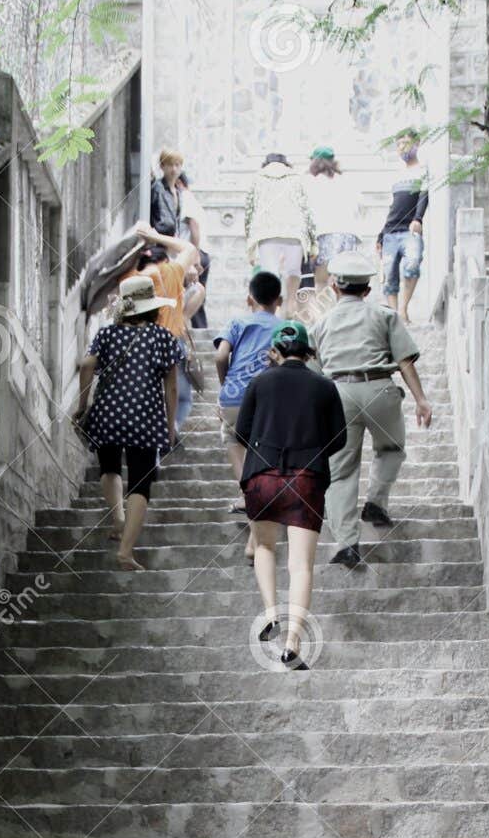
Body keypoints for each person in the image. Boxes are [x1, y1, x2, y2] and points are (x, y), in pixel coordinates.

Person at [234, 319, 347, 670]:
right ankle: (293, 641)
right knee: (301, 566)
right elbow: (339, 439)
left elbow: (241, 433)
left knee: (265, 547)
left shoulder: (259, 382)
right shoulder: (325, 386)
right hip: (305, 480)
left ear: (276, 350)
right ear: (308, 350)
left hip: (262, 477)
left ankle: (270, 613)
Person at [313, 250, 433, 572]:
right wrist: (421, 399)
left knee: (339, 470)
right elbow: (405, 360)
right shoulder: (384, 316)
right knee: (390, 448)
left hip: (337, 392)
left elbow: (312, 372)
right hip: (379, 387)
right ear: (367, 290)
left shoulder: (321, 324)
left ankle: (347, 543)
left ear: (335, 287)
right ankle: (376, 502)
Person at [75, 273, 186, 572]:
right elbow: (172, 388)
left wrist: (82, 404)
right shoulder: (163, 337)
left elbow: (87, 365)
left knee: (109, 467)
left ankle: (118, 519)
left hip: (108, 412)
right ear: (151, 306)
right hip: (147, 417)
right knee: (141, 482)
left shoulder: (107, 334)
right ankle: (125, 552)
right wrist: (170, 424)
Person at [214, 268, 283, 522]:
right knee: (264, 444)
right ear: (280, 301)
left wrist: (225, 385)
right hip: (270, 397)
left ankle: (248, 494)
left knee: (233, 440)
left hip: (234, 395)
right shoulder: (284, 326)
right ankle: (266, 493)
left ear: (249, 299)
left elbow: (221, 356)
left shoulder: (237, 322)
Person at [132, 221, 203, 442]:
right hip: (171, 340)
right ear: (164, 259)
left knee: (146, 396)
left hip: (142, 343)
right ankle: (171, 428)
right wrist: (156, 236)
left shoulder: (135, 277)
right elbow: (190, 249)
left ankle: (146, 437)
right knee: (181, 397)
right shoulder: (171, 271)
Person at [244, 152, 318, 318]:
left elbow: (249, 211)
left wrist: (249, 243)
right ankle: (290, 306)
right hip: (294, 230)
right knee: (293, 272)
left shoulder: (257, 178)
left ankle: (272, 311)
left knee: (270, 273)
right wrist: (313, 243)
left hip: (266, 231)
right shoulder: (296, 178)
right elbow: (307, 211)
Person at [376, 132, 428, 323]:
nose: (403, 148)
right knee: (389, 275)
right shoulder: (395, 175)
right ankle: (394, 315)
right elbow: (391, 207)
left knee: (412, 265)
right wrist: (380, 236)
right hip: (390, 231)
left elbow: (424, 196)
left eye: (406, 143)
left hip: (410, 230)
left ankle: (404, 309)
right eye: (399, 145)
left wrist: (418, 219)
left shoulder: (423, 170)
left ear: (417, 143)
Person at [307, 147, 361, 292]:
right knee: (342, 282)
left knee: (321, 282)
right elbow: (357, 208)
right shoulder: (346, 180)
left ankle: (325, 314)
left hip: (325, 234)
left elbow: (309, 212)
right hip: (348, 235)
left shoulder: (313, 182)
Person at [178, 171, 211, 328]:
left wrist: (194, 256)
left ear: (179, 183)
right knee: (196, 297)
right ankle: (200, 330)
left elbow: (194, 226)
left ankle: (191, 330)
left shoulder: (185, 197)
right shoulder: (193, 201)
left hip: (194, 252)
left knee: (191, 293)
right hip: (200, 252)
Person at [149, 148, 185, 239]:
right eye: (170, 165)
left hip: (172, 240)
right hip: (157, 239)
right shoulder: (157, 187)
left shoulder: (178, 191)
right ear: (162, 166)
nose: (174, 169)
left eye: (177, 165)